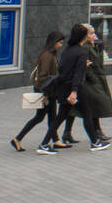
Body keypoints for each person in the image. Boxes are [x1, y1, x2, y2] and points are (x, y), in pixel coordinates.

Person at [42, 24, 106, 152]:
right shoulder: (81, 53)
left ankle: (44, 144)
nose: (90, 36)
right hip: (74, 89)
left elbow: (63, 69)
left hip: (64, 87)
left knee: (61, 117)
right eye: (88, 34)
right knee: (87, 114)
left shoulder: (68, 50)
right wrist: (74, 91)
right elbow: (78, 74)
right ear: (83, 37)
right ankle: (94, 142)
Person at [11, 30, 64, 150]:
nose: (60, 45)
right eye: (59, 42)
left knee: (51, 117)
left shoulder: (49, 54)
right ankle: (17, 139)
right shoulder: (47, 55)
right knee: (40, 117)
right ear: (54, 42)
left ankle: (56, 140)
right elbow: (43, 76)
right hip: (46, 91)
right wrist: (45, 93)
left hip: (48, 90)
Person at [81, 24, 112, 143]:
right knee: (91, 107)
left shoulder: (93, 46)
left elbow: (99, 62)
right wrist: (93, 78)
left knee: (87, 108)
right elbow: (88, 66)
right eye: (91, 33)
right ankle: (96, 134)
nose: (94, 36)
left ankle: (97, 131)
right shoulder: (85, 48)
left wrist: (100, 50)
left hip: (96, 79)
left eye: (93, 33)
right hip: (90, 81)